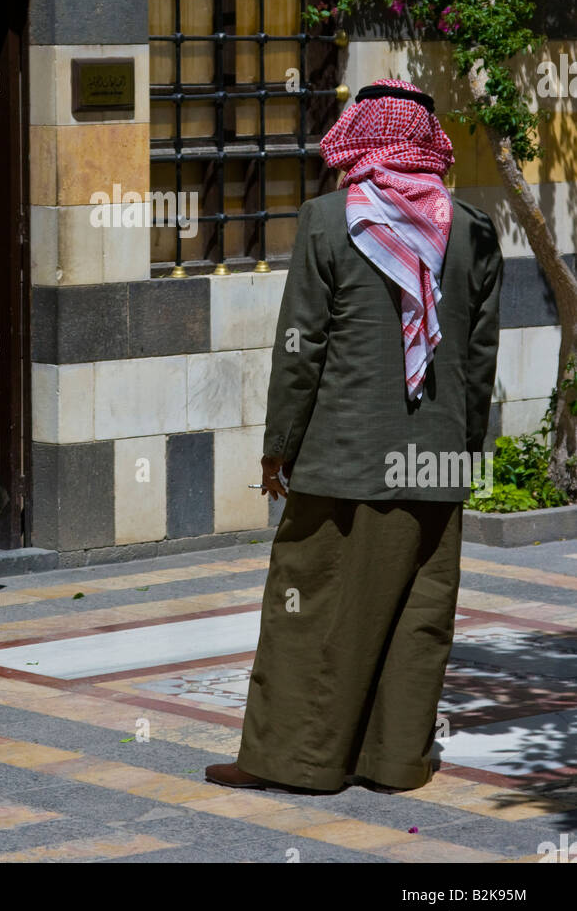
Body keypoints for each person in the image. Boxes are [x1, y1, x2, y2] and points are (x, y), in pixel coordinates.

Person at [206, 79, 503, 793]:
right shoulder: (470, 227)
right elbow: (479, 357)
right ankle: (396, 761)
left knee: (308, 607)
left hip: (342, 457)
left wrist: (281, 444)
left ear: (359, 136)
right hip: (435, 461)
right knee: (416, 614)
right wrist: (463, 452)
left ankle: (294, 761)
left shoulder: (328, 220)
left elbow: (301, 346)